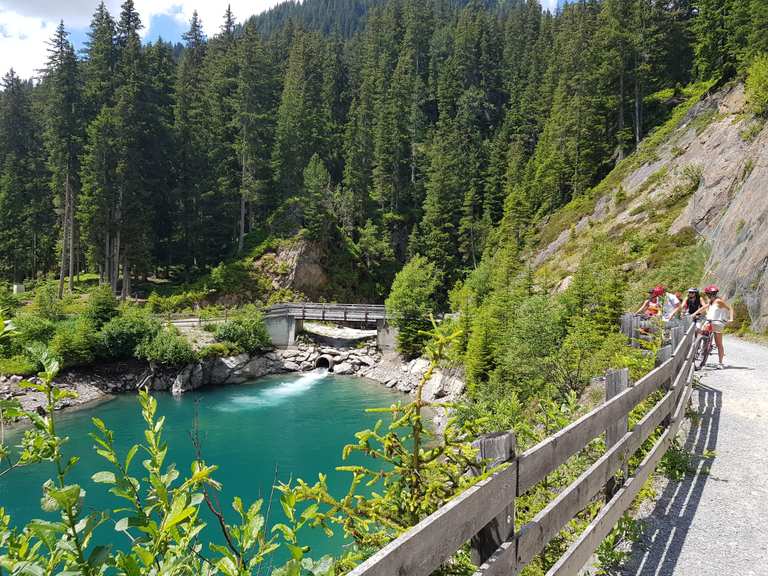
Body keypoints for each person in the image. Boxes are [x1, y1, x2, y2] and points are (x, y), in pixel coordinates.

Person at [692, 284, 734, 369]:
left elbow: (730, 308)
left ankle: (720, 363)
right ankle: (702, 350)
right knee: (700, 333)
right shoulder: (711, 301)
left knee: (719, 344)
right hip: (709, 321)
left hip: (717, 323)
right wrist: (694, 314)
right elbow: (704, 307)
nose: (710, 295)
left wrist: (731, 319)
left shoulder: (719, 301)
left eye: (711, 294)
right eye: (709, 294)